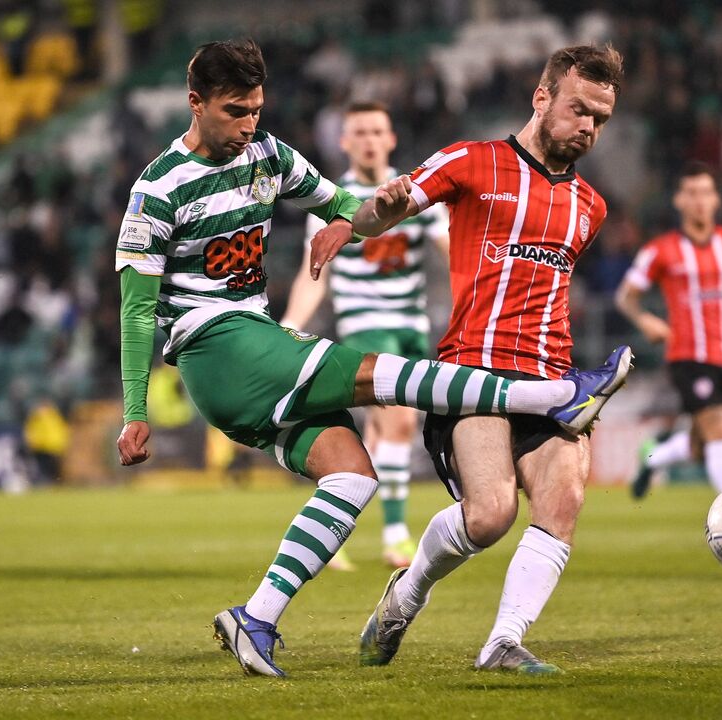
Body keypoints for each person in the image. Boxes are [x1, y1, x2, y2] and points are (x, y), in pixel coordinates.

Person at [115, 38, 629, 679]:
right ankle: (555, 397)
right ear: (195, 103)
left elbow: (341, 201)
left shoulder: (267, 154)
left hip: (257, 338)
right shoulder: (158, 189)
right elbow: (137, 311)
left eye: (255, 109)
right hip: (213, 346)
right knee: (376, 376)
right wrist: (135, 410)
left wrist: (351, 222)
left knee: (354, 475)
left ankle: (256, 619)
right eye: (234, 111)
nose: (248, 125)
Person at [348, 44, 630, 675]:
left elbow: (548, 295)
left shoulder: (591, 207)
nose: (588, 127)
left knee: (564, 500)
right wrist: (378, 213)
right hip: (472, 375)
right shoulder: (472, 162)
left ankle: (503, 642)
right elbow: (378, 212)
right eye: (579, 109)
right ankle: (406, 592)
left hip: (550, 378)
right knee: (492, 514)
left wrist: (569, 390)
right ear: (542, 96)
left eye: (601, 119)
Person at [282, 101, 450, 571]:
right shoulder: (329, 202)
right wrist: (290, 326)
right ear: (345, 141)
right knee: (396, 423)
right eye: (360, 132)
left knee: (387, 435)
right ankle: (396, 537)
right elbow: (313, 274)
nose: (370, 139)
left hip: (411, 327)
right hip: (365, 327)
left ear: (391, 138)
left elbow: (454, 252)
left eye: (377, 130)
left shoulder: (414, 194)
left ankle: (327, 521)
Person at [615, 162, 722, 499]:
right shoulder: (661, 250)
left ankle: (652, 457)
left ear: (716, 199)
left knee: (702, 445)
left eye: (705, 192)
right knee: (719, 428)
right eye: (691, 193)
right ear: (679, 201)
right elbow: (626, 296)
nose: (699, 200)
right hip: (687, 357)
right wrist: (645, 319)